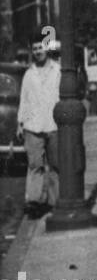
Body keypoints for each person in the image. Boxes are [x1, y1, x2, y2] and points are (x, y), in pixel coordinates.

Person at [17, 38, 61, 217]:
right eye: (34, 48)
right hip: (33, 126)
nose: (37, 51)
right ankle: (34, 202)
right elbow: (24, 100)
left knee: (55, 165)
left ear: (47, 49)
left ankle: (55, 201)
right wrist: (20, 124)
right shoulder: (29, 74)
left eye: (40, 48)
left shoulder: (58, 70)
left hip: (53, 124)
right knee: (35, 165)